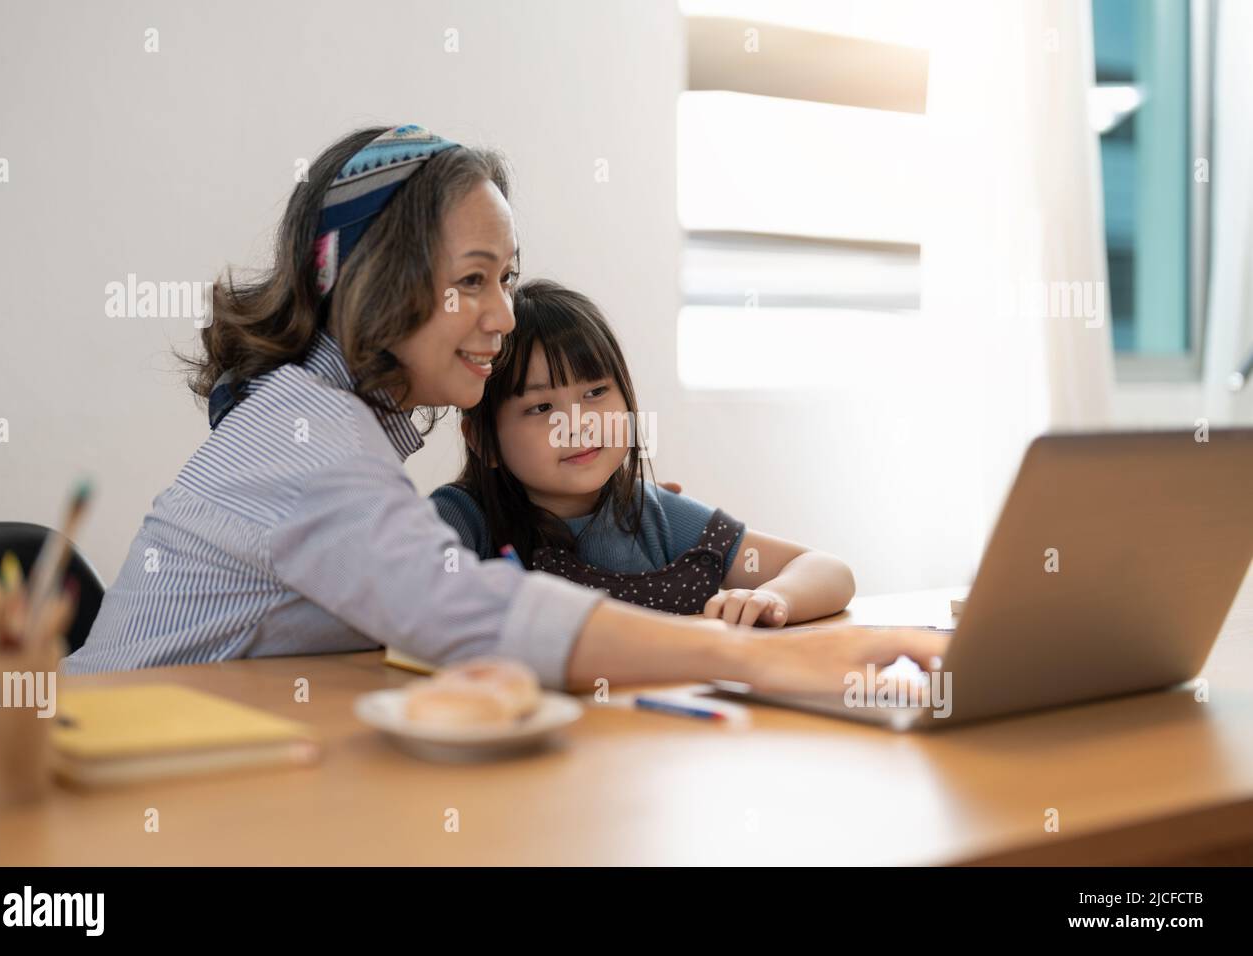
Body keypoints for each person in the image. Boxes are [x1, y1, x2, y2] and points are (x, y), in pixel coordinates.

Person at [64, 124, 946, 694]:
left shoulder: (331, 418)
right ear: (384, 280)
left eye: (508, 280)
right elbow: (466, 607)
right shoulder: (307, 434)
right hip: (95, 778)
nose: (505, 315)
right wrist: (754, 661)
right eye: (473, 281)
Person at [433, 279, 856, 626]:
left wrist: (772, 599)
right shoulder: (466, 518)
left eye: (596, 392)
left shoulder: (655, 514)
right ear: (483, 440)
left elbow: (829, 571)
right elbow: (398, 592)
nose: (579, 423)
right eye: (541, 407)